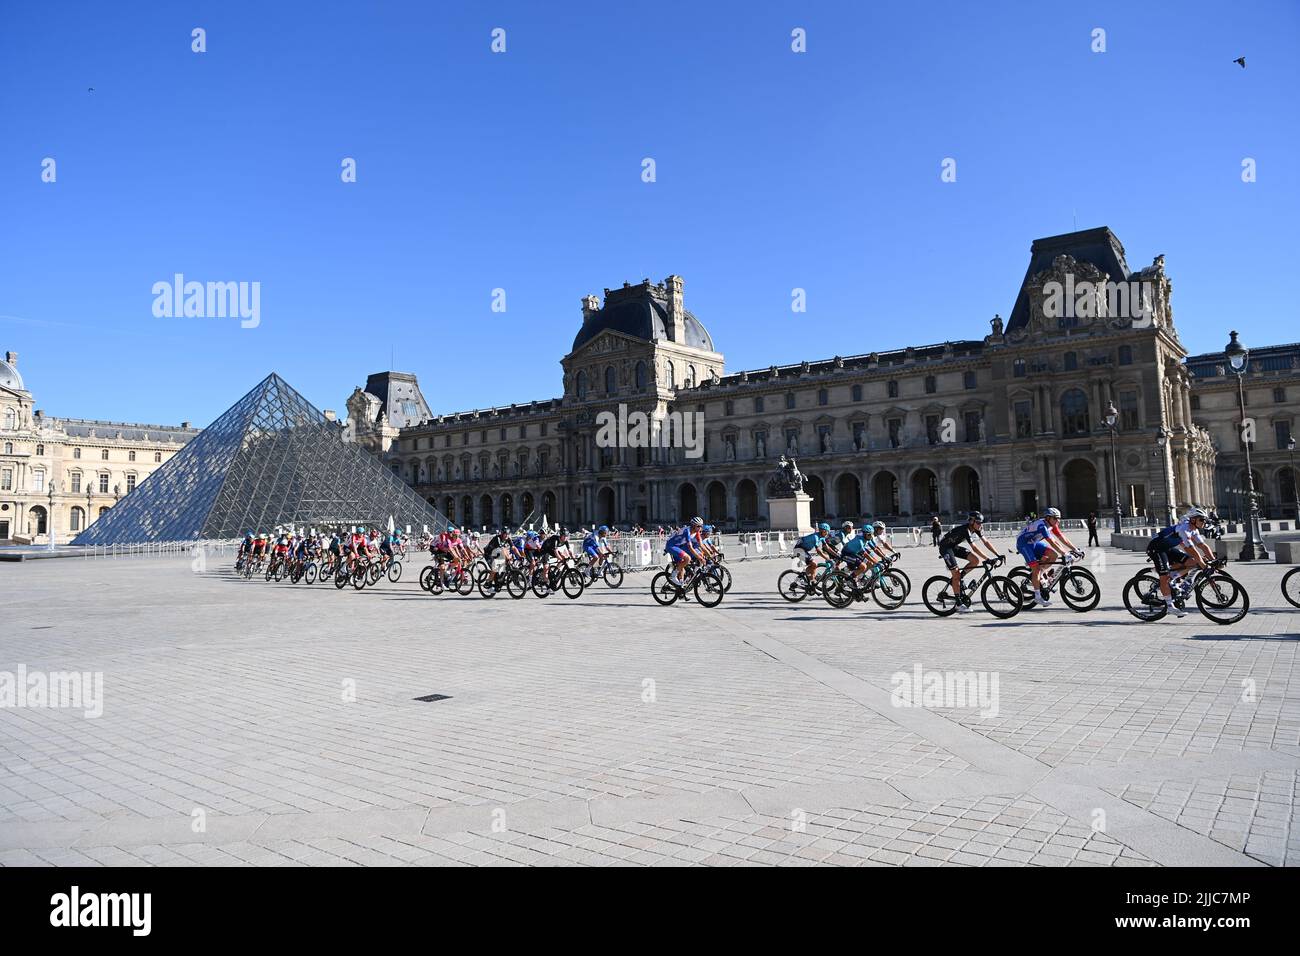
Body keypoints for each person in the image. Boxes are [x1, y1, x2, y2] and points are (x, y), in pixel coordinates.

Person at [1146, 508, 1215, 618]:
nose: (1204, 522)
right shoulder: (1184, 529)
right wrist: (1203, 565)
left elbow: (1203, 546)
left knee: (1192, 562)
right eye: (1202, 520)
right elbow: (1191, 550)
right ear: (1193, 520)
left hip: (1168, 548)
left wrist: (1213, 560)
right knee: (1164, 576)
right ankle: (1169, 607)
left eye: (1205, 520)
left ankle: (1172, 576)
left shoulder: (1194, 530)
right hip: (1156, 549)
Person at [1015, 508, 1081, 607]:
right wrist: (1066, 554)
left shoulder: (1052, 525)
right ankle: (1037, 597)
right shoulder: (1042, 526)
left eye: (1059, 518)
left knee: (1053, 555)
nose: (1058, 521)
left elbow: (1062, 538)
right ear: (1048, 518)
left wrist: (1075, 549)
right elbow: (1051, 542)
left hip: (1033, 542)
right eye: (1056, 518)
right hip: (1023, 543)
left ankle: (1040, 577)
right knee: (1036, 569)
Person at [937, 512, 999, 612]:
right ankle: (958, 603)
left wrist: (997, 555)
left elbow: (986, 542)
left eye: (981, 523)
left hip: (953, 546)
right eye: (978, 522)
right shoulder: (966, 530)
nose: (980, 525)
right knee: (956, 573)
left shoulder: (976, 528)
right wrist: (987, 559)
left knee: (975, 560)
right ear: (971, 521)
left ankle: (958, 579)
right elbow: (974, 548)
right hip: (945, 547)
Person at [664, 517, 705, 585]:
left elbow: (702, 545)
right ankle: (673, 575)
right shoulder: (687, 531)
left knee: (682, 569)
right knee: (687, 558)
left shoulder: (696, 532)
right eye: (698, 526)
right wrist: (700, 558)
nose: (700, 528)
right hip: (671, 546)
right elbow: (690, 547)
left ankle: (681, 586)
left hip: (678, 547)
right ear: (693, 526)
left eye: (701, 526)